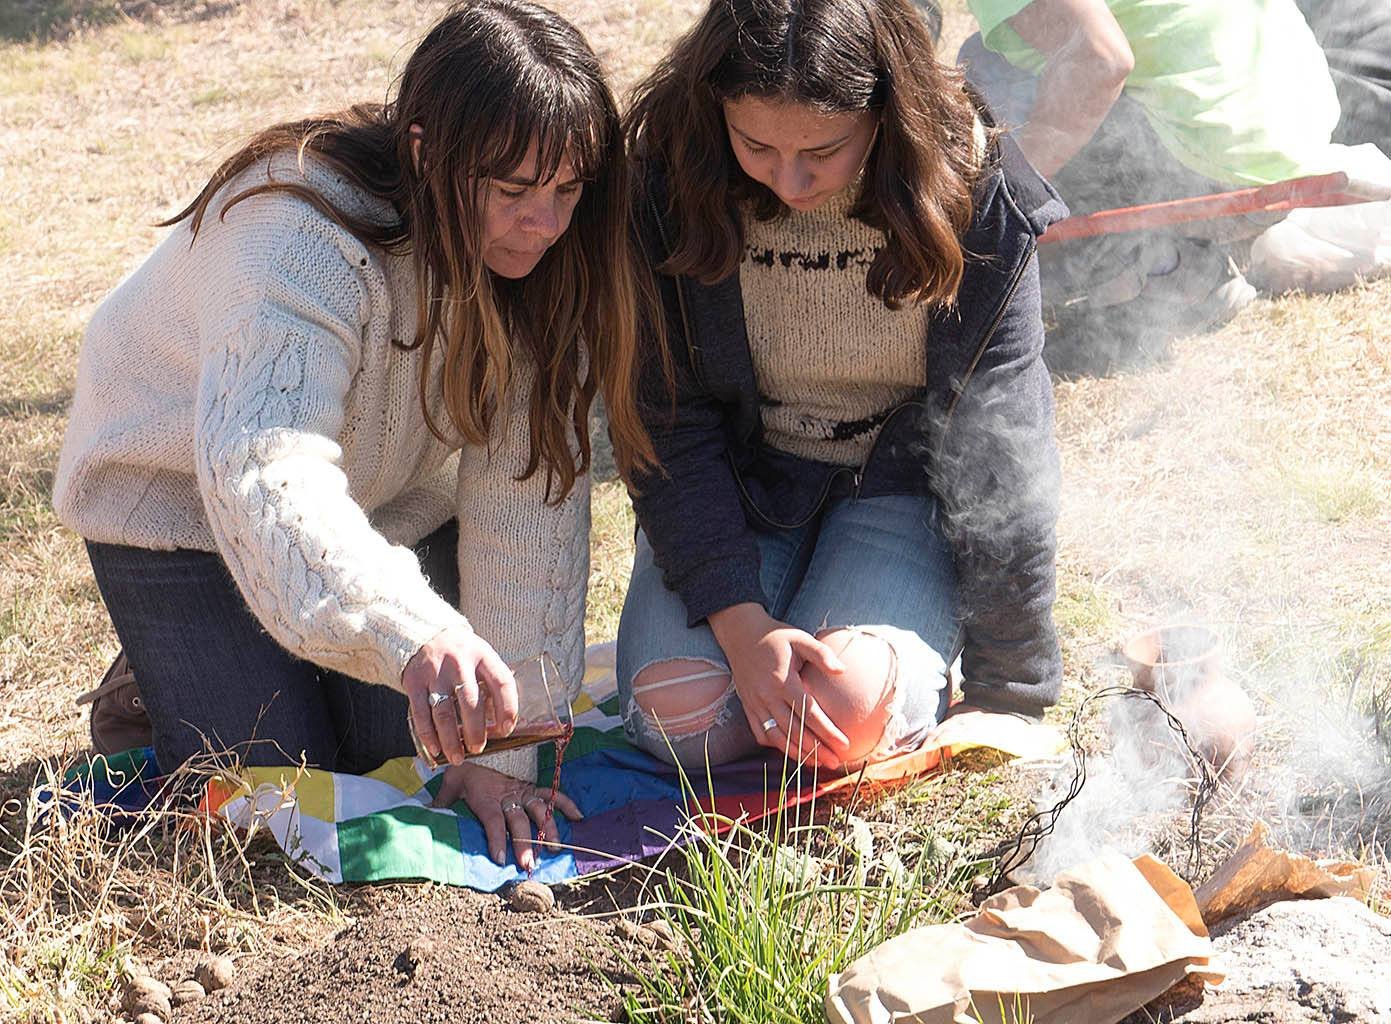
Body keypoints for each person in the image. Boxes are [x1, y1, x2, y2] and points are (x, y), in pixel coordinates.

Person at [52, 0, 655, 871]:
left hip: (378, 510)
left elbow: (526, 507)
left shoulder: (547, 261)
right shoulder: (294, 236)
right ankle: (160, 666)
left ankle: (300, 635)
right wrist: (410, 633)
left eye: (567, 191)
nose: (547, 224)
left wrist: (505, 753)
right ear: (423, 151)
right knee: (274, 796)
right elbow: (266, 469)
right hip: (181, 505)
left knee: (415, 753)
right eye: (514, 191)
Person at [614, 0, 1065, 774]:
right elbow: (668, 419)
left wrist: (1009, 687)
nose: (789, 181)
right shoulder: (669, 181)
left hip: (896, 491)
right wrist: (741, 625)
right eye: (754, 144)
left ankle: (876, 630)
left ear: (888, 112)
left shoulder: (975, 188)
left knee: (843, 717)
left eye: (822, 150)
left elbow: (1001, 443)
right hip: (738, 484)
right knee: (684, 721)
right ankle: (797, 620)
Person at [957, 0, 1345, 370]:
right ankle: (1175, 262)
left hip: (1227, 166)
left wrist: (997, 206)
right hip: (1292, 128)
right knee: (994, 57)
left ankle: (1154, 274)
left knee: (987, 86)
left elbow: (1102, 63)